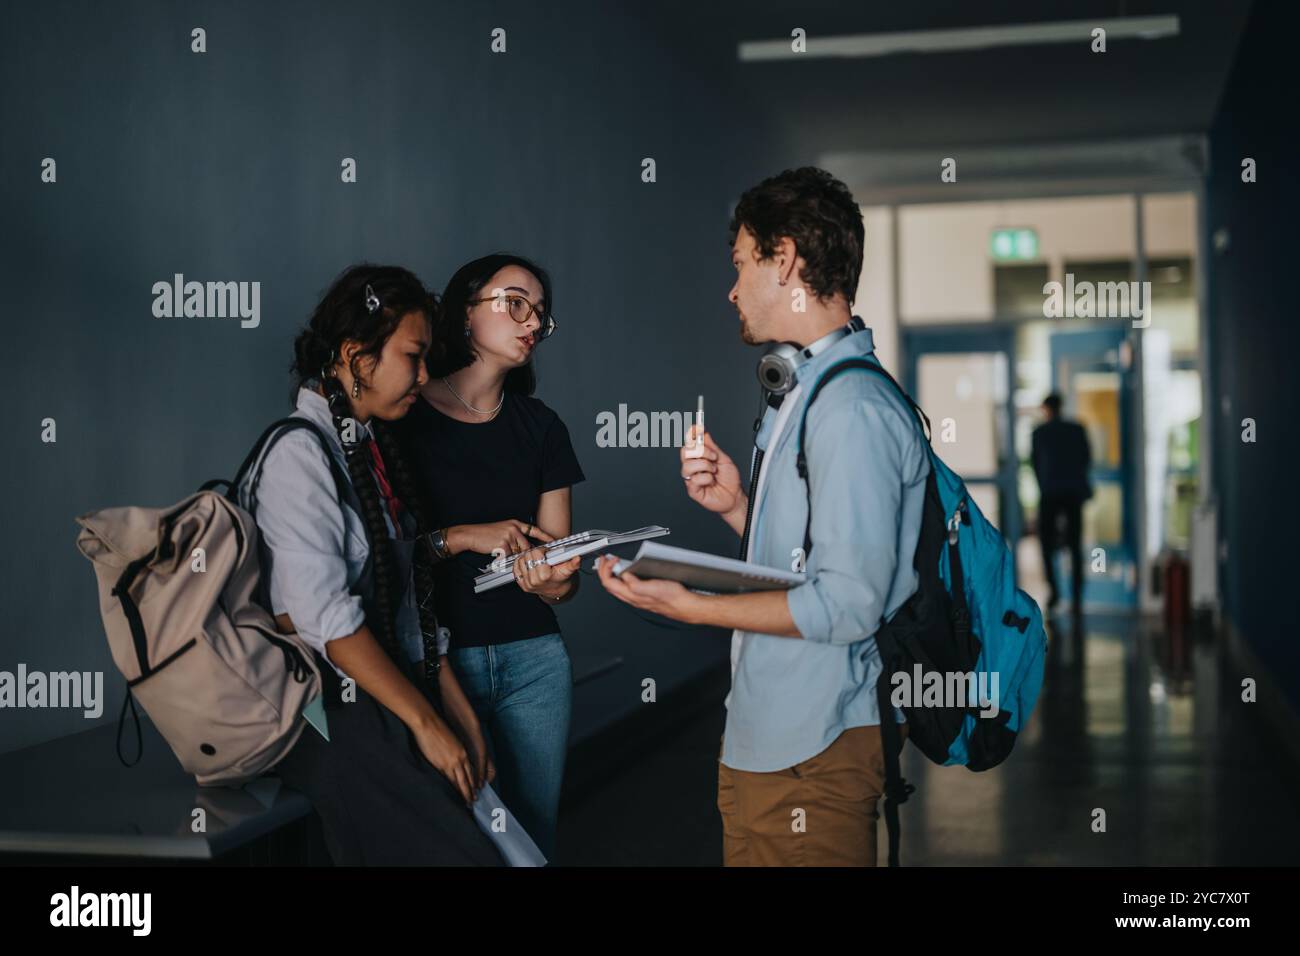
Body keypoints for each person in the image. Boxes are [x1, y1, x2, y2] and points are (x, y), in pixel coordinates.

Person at [596, 167, 930, 866]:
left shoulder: (852, 409)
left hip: (816, 748)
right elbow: (809, 564)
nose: (732, 288)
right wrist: (739, 507)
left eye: (742, 263)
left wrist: (694, 608)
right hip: (769, 738)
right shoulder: (810, 390)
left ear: (785, 261)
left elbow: (847, 605)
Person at [241, 264, 503, 866]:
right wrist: (429, 727)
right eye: (412, 356)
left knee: (474, 807)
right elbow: (329, 624)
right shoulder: (298, 457)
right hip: (310, 710)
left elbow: (403, 615)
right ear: (358, 359)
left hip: (364, 693)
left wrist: (460, 715)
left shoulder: (366, 454)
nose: (424, 375)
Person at [399, 253, 584, 859]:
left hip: (536, 663)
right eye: (515, 303)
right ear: (466, 312)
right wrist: (461, 536)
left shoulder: (543, 428)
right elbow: (381, 558)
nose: (532, 321)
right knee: (450, 843)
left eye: (540, 313)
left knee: (530, 844)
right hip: (435, 669)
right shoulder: (402, 417)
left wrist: (549, 581)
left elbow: (562, 579)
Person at [1031, 392, 1092, 616]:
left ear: (1047, 409)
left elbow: (1035, 464)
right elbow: (1086, 459)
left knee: (1046, 546)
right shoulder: (1077, 430)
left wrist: (1044, 486)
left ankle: (1055, 593)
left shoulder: (1040, 433)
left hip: (1050, 493)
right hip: (1073, 493)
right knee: (1075, 545)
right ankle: (1076, 597)